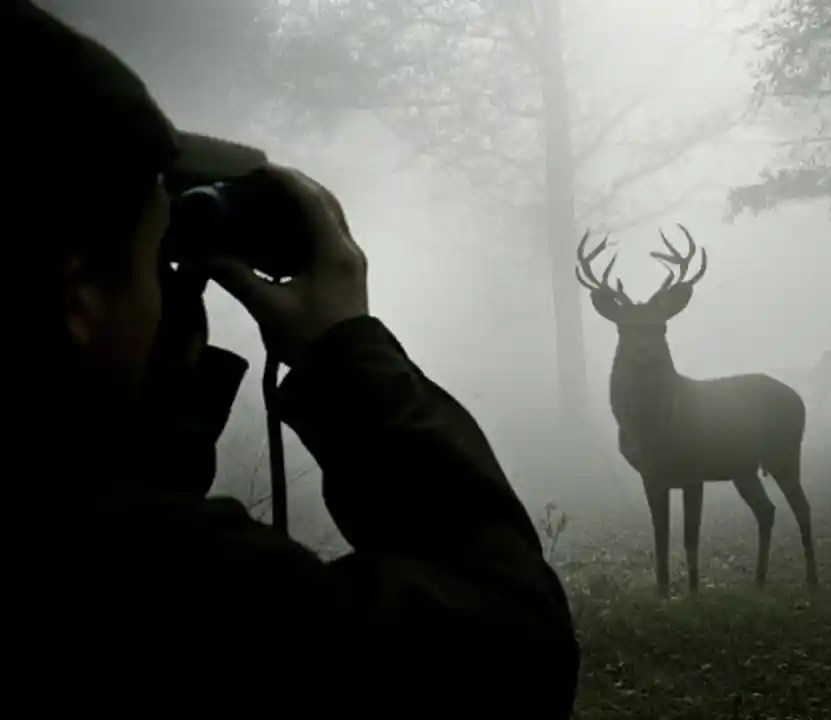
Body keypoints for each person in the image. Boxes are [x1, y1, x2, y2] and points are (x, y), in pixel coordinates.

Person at [7, 1, 578, 712]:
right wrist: (346, 355)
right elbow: (512, 646)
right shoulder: (161, 589)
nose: (166, 292)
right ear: (81, 295)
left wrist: (145, 412)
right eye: (152, 256)